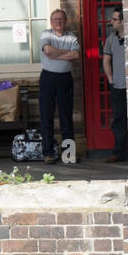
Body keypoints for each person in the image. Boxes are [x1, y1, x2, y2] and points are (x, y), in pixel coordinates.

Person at [38, 9, 80, 164]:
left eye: (61, 19)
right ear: (51, 21)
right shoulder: (46, 34)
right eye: (55, 19)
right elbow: (47, 50)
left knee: (66, 116)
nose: (58, 22)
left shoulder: (71, 36)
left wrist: (56, 54)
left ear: (66, 20)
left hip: (65, 79)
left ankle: (68, 155)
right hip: (48, 78)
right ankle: (48, 153)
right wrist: (65, 54)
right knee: (46, 116)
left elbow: (75, 55)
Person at [101, 6, 127, 163]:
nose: (111, 22)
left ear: (123, 21)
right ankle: (119, 153)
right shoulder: (111, 38)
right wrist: (110, 80)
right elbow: (106, 60)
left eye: (115, 19)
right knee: (118, 120)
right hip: (117, 86)